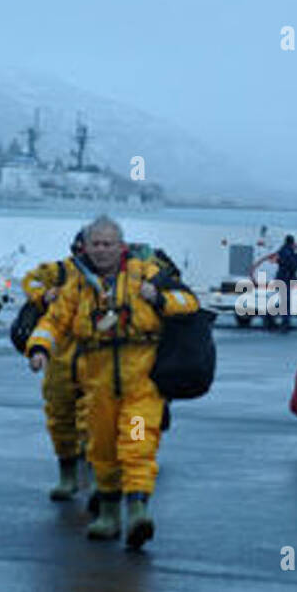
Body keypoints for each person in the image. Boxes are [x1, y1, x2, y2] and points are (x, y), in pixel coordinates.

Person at [26, 216, 198, 549]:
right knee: (102, 448)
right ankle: (108, 514)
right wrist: (39, 348)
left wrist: (159, 298)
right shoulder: (77, 286)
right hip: (98, 382)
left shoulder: (145, 275)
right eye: (96, 244)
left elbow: (189, 302)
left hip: (141, 383)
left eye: (108, 244)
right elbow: (54, 320)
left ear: (121, 246)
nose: (102, 250)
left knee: (137, 444)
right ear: (85, 247)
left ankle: (137, 511)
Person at [21, 230, 91, 501]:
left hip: (95, 357)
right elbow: (30, 280)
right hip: (61, 358)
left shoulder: (112, 278)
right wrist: (43, 295)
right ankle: (67, 476)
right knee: (60, 419)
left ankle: (95, 475)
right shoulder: (59, 271)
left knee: (93, 420)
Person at [252, 234, 297, 330]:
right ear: (292, 242)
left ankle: (270, 318)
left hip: (283, 278)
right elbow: (292, 264)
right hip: (285, 280)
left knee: (281, 301)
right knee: (285, 302)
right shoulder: (287, 252)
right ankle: (282, 322)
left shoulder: (283, 250)